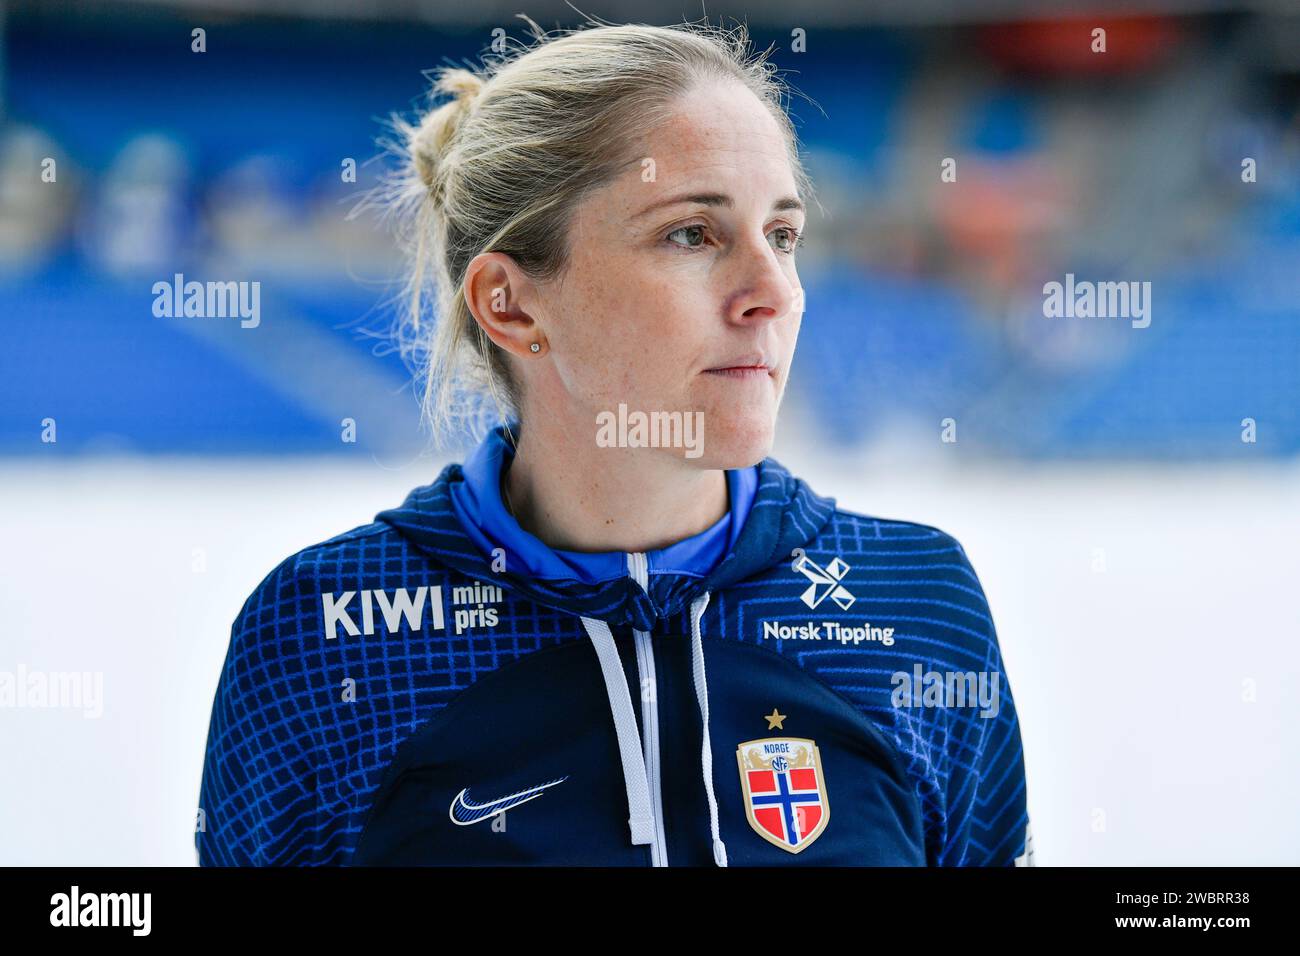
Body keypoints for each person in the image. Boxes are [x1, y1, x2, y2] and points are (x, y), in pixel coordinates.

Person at [196, 18, 1032, 866]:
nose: (772, 292)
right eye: (692, 234)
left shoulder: (919, 605)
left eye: (782, 236)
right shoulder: (324, 632)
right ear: (511, 304)